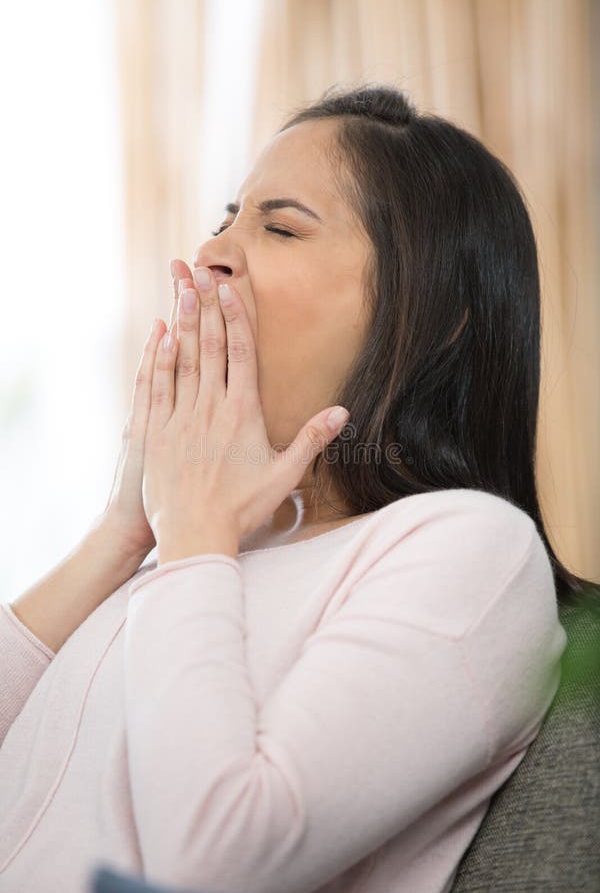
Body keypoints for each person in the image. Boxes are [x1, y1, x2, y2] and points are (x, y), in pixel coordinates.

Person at [0, 82, 592, 893]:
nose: (210, 254)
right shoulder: (192, 548)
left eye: (278, 226)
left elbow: (217, 861)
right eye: (225, 219)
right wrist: (123, 532)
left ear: (435, 313)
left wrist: (194, 534)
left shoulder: (469, 550)